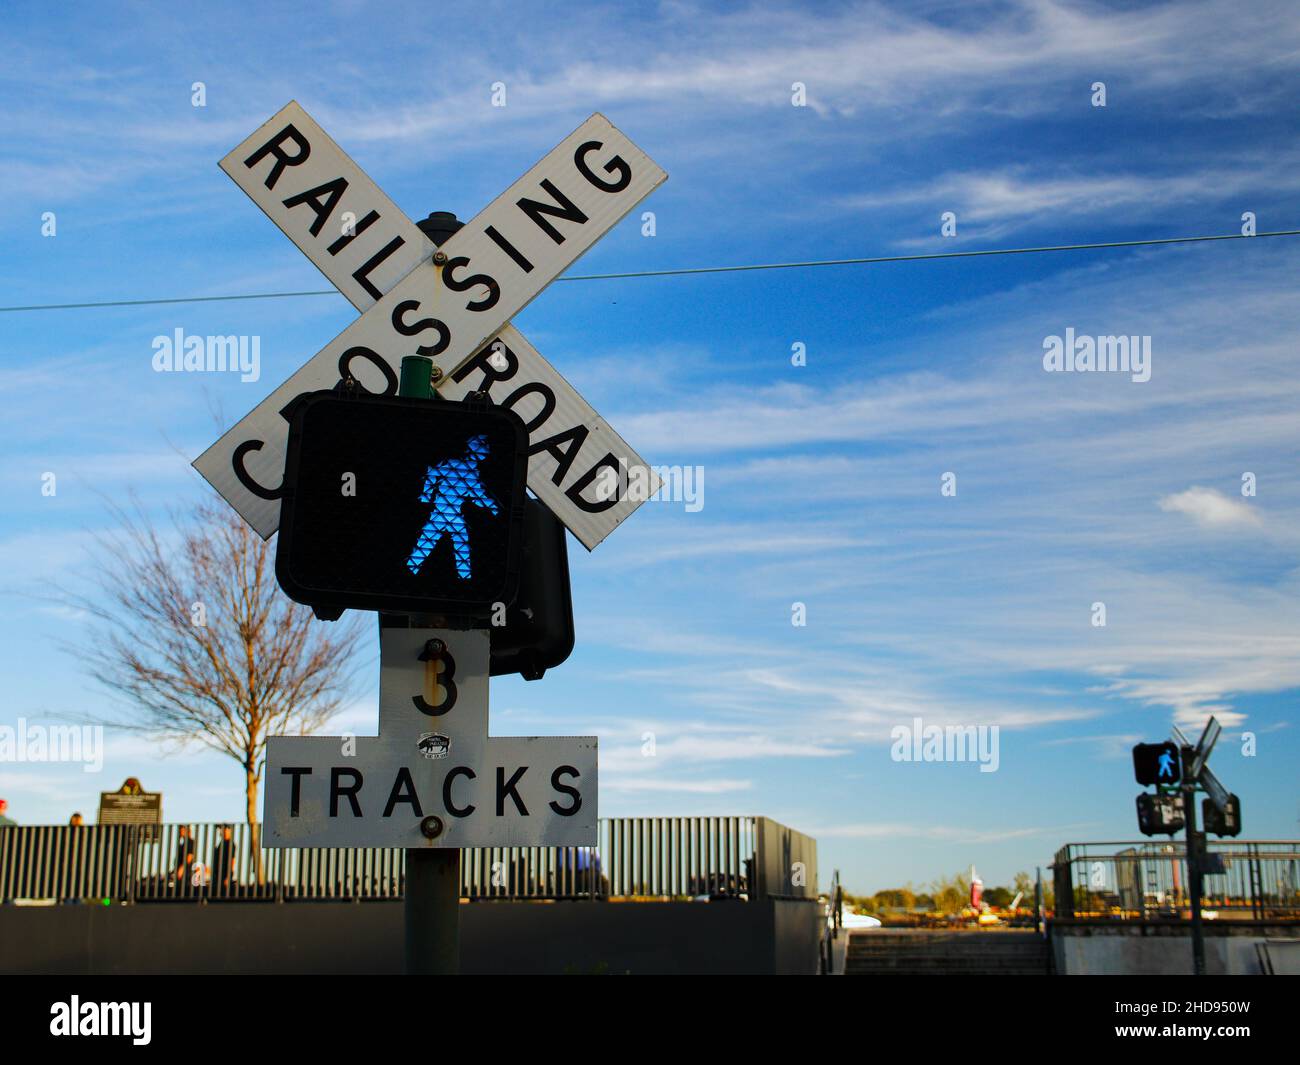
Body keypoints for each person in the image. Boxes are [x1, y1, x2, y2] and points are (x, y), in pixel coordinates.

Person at [211, 824, 237, 896]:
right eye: (221, 829)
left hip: (224, 875)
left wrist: (228, 876)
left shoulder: (230, 844)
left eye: (224, 829)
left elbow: (232, 861)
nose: (222, 831)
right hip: (217, 875)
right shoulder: (221, 843)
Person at [174, 825, 196, 895]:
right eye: (181, 831)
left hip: (186, 872)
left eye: (183, 830)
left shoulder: (190, 842)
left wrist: (182, 868)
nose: (181, 832)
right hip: (182, 871)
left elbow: (189, 857)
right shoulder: (182, 843)